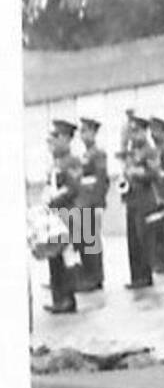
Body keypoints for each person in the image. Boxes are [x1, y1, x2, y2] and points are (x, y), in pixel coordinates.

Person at [41, 120, 82, 314]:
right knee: (54, 257)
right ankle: (58, 297)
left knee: (66, 258)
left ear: (66, 139)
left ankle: (68, 298)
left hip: (66, 213)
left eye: (56, 137)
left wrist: (55, 197)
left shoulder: (72, 162)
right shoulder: (54, 163)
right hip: (54, 214)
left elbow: (73, 188)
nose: (53, 142)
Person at [120, 113, 158, 290]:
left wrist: (136, 172)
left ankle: (145, 275)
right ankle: (136, 275)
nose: (134, 136)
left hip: (145, 197)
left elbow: (153, 173)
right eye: (132, 132)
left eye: (137, 132)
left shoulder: (150, 151)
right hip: (132, 198)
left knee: (144, 239)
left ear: (145, 132)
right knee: (132, 239)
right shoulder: (131, 151)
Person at [72, 115, 108, 292]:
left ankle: (95, 277)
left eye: (86, 131)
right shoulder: (85, 154)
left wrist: (99, 203)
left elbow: (101, 180)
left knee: (92, 241)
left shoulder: (98, 153)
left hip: (92, 203)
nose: (83, 135)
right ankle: (88, 275)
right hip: (83, 202)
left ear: (94, 133)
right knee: (85, 241)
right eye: (81, 132)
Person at [146, 116, 164, 274]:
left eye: (156, 130)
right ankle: (156, 260)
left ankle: (163, 262)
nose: (153, 133)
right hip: (154, 192)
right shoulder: (153, 148)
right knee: (154, 229)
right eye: (152, 130)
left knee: (163, 230)